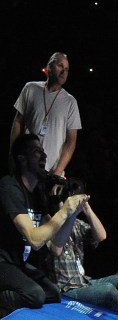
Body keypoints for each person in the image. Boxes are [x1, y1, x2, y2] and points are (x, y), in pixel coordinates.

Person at [0, 134, 88, 315]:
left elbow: (55, 247)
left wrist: (71, 214)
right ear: (22, 159)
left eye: (43, 151)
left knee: (53, 292)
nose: (44, 156)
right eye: (36, 152)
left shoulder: (38, 195)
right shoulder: (9, 186)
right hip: (2, 261)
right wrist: (63, 212)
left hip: (16, 263)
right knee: (35, 295)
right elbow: (34, 239)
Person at [49, 179, 118, 315]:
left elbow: (101, 235)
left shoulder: (77, 224)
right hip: (66, 290)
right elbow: (56, 249)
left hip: (82, 282)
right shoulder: (50, 223)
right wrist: (69, 211)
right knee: (109, 291)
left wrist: (87, 208)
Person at [10, 52, 81, 179]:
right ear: (49, 67)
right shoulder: (30, 88)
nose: (63, 72)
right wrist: (12, 156)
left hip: (51, 173)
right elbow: (17, 122)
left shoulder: (70, 102)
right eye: (60, 66)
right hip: (25, 168)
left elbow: (71, 141)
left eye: (67, 69)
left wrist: (57, 173)